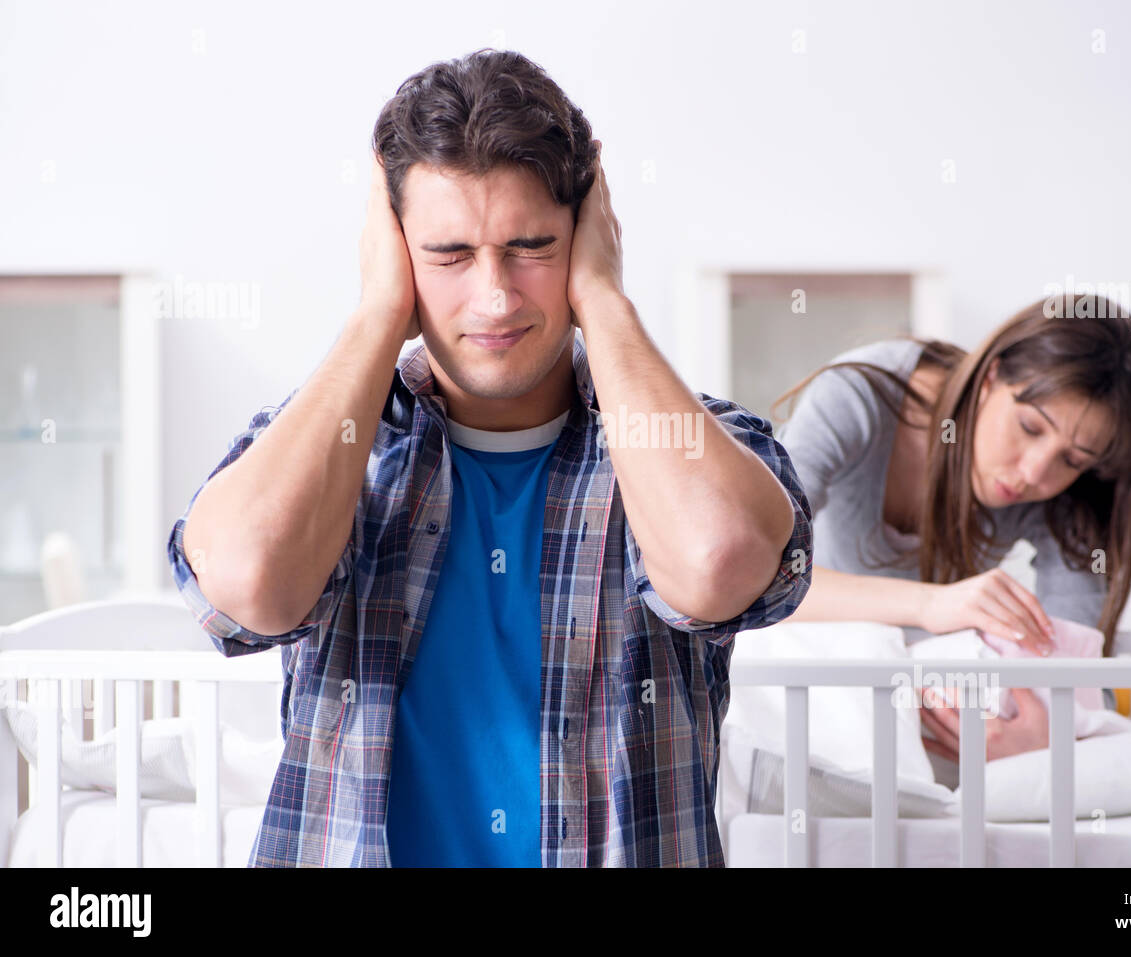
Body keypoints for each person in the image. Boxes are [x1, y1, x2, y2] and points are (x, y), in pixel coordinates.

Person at [166, 48, 813, 867]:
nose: (496, 297)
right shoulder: (325, 445)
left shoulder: (702, 444)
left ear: (586, 234)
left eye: (532, 245)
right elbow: (247, 583)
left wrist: (606, 302)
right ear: (393, 248)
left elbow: (718, 560)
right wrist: (376, 313)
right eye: (448, 255)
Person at [772, 295, 1131, 764]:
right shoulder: (857, 397)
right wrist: (933, 604)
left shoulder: (1067, 495)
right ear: (990, 375)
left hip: (927, 726)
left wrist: (1046, 739)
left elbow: (1075, 666)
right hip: (814, 691)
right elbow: (761, 575)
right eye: (1029, 427)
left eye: (1073, 460)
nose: (1033, 473)